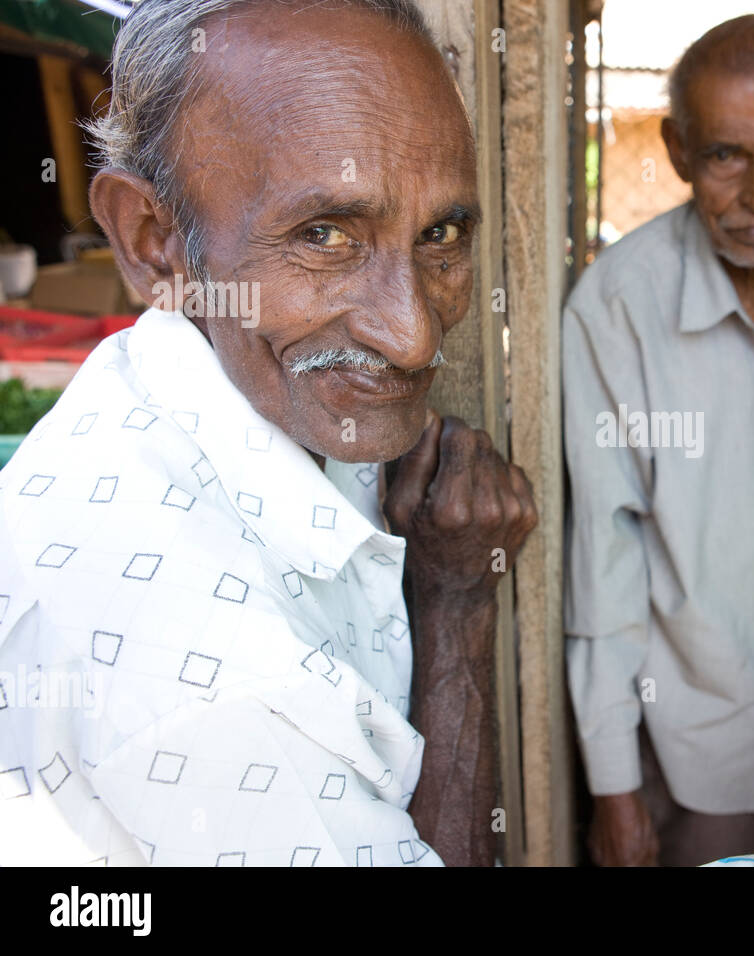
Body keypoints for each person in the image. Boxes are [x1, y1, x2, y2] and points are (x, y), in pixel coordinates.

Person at [0, 0, 536, 867]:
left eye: (442, 234)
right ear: (153, 242)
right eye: (325, 236)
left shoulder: (208, 383)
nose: (416, 338)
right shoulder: (214, 688)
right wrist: (460, 603)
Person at [563, 15, 754, 867]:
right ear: (677, 150)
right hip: (690, 750)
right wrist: (615, 789)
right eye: (726, 156)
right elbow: (606, 552)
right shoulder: (617, 307)